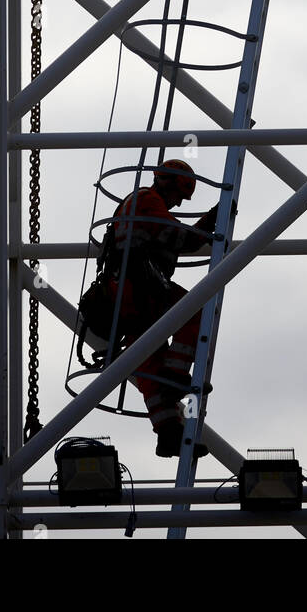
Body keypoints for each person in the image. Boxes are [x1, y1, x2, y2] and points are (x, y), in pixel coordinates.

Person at [106, 159, 218, 458]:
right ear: (168, 183)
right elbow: (182, 239)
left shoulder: (141, 202)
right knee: (195, 311)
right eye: (179, 195)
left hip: (126, 295)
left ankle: (168, 432)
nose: (179, 203)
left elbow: (176, 237)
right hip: (140, 288)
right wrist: (212, 221)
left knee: (149, 362)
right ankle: (174, 376)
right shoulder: (148, 201)